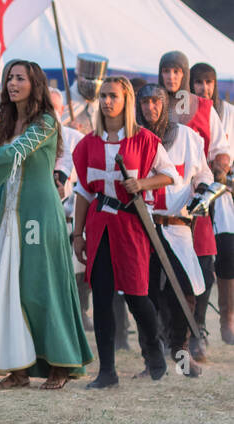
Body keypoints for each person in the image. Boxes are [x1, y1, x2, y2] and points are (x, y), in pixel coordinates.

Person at [0, 61, 91, 389]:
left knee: (42, 288)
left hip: (38, 213)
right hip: (9, 212)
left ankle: (60, 364)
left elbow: (13, 155)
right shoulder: (8, 123)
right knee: (8, 287)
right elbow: (2, 165)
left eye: (20, 78)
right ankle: (19, 369)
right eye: (9, 77)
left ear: (34, 83)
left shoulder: (47, 122)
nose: (12, 83)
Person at [71, 76, 177, 388]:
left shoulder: (143, 140)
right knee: (101, 297)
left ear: (125, 100)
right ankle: (107, 372)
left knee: (136, 295)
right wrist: (78, 234)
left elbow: (170, 175)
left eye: (113, 96)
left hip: (131, 225)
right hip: (99, 224)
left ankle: (154, 351)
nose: (106, 101)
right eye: (103, 96)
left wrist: (142, 183)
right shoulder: (88, 143)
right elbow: (83, 192)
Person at [158, 51, 230, 359]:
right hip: (159, 200)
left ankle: (197, 327)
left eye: (177, 72)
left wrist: (219, 174)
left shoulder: (202, 107)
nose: (172, 77)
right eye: (167, 71)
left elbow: (220, 149)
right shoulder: (152, 103)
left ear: (183, 74)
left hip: (196, 200)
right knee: (159, 271)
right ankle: (166, 332)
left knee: (203, 267)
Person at [136, 83, 208, 378]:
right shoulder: (134, 139)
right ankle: (152, 360)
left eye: (156, 102)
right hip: (143, 227)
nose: (150, 108)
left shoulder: (188, 137)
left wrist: (202, 188)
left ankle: (180, 354)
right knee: (143, 295)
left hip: (177, 228)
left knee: (184, 293)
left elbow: (202, 171)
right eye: (145, 103)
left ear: (164, 104)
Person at [187, 62, 234, 349]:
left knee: (228, 252)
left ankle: (227, 317)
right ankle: (193, 326)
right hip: (194, 194)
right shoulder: (186, 110)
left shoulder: (229, 113)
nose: (204, 88)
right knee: (200, 260)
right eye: (198, 82)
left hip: (225, 194)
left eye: (209, 82)